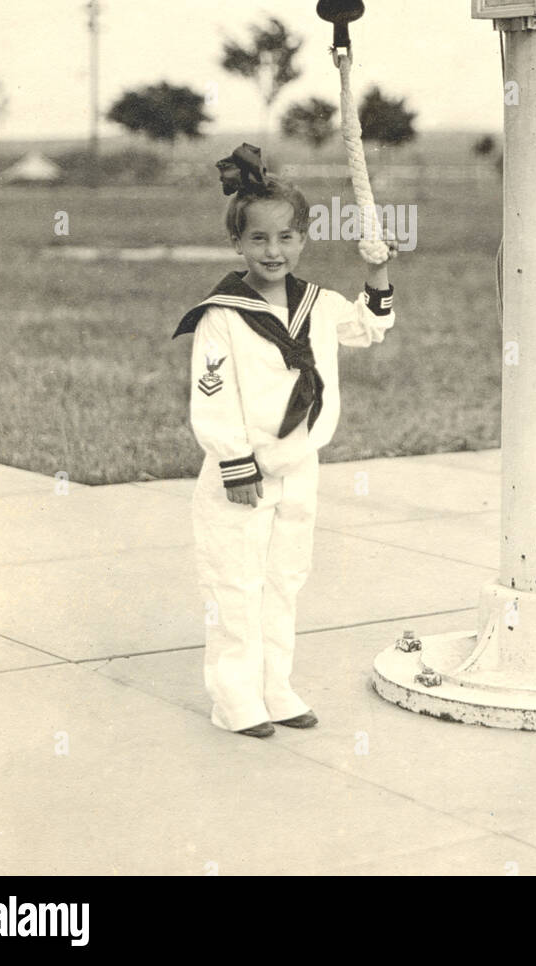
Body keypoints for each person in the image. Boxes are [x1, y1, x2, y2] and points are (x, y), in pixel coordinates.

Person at [173, 143, 396, 739]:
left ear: (303, 239)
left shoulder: (320, 304)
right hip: (241, 475)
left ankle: (276, 686)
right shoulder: (222, 314)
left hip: (300, 466)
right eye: (259, 240)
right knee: (235, 582)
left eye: (287, 237)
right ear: (237, 244)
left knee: (284, 579)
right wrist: (236, 465)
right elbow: (213, 398)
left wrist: (377, 272)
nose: (274, 251)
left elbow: (370, 327)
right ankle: (235, 696)